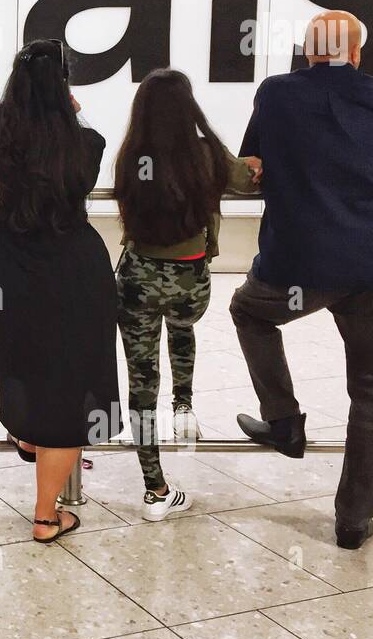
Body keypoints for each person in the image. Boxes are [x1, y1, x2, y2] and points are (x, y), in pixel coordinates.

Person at [231, 10, 373, 550]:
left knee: (250, 311)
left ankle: (284, 421)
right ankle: (353, 521)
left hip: (300, 264)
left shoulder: (276, 94)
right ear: (356, 53)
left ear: (308, 51)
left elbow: (251, 162)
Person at [0, 39, 120, 542]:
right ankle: (48, 514)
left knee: (19, 363)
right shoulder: (82, 140)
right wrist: (73, 114)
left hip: (7, 268)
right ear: (65, 83)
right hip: (74, 270)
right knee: (72, 390)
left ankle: (26, 433)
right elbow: (82, 179)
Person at [112, 69, 261, 520]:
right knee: (181, 328)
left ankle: (154, 488)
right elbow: (250, 178)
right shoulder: (206, 155)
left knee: (141, 381)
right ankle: (184, 404)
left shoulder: (131, 155)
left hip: (138, 277)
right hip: (190, 279)